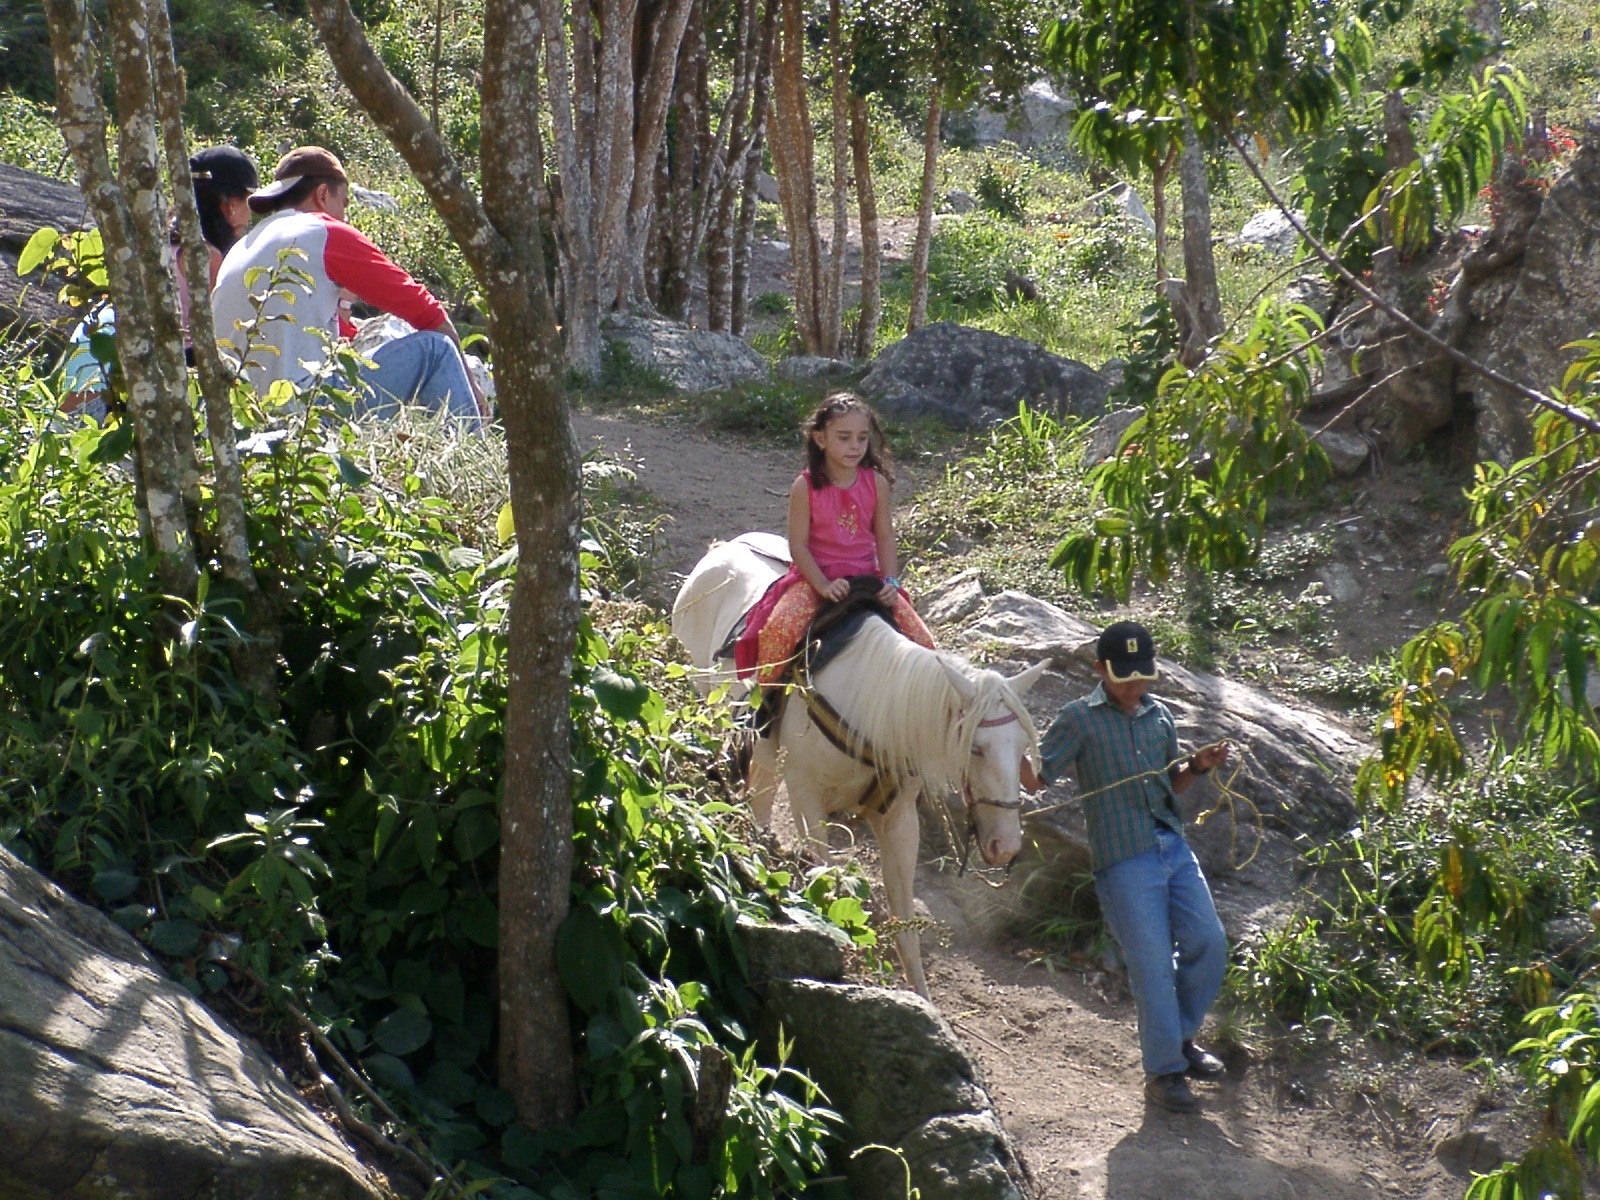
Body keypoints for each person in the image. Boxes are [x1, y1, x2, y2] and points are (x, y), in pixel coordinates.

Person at [1020, 621, 1232, 1114]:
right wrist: (1003, 744)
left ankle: (1177, 1039)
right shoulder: (1078, 718)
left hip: (1172, 848)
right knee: (1153, 964)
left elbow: (1167, 783)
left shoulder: (1158, 717)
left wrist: (1197, 766)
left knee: (1209, 940)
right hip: (1124, 859)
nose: (1135, 687)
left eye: (1142, 677)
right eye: (1124, 677)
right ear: (1099, 670)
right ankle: (1164, 1073)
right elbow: (1037, 779)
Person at [210, 145, 485, 425]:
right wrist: (472, 386)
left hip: (242, 420)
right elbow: (425, 311)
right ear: (322, 194)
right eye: (344, 203)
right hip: (301, 416)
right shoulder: (323, 231)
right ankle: (476, 461)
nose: (344, 216)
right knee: (437, 349)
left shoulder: (243, 246)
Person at [734, 392, 935, 685]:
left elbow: (885, 537)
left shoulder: (877, 484)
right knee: (780, 629)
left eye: (862, 438)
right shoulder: (804, 487)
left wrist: (891, 582)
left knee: (925, 644)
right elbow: (798, 546)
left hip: (868, 579)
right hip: (816, 580)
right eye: (844, 437)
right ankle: (763, 703)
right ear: (820, 439)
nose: (855, 446)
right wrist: (823, 585)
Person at [57, 144, 260, 420]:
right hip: (105, 395)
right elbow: (225, 334)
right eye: (249, 201)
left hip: (85, 377)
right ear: (231, 203)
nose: (250, 215)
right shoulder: (204, 256)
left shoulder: (159, 238)